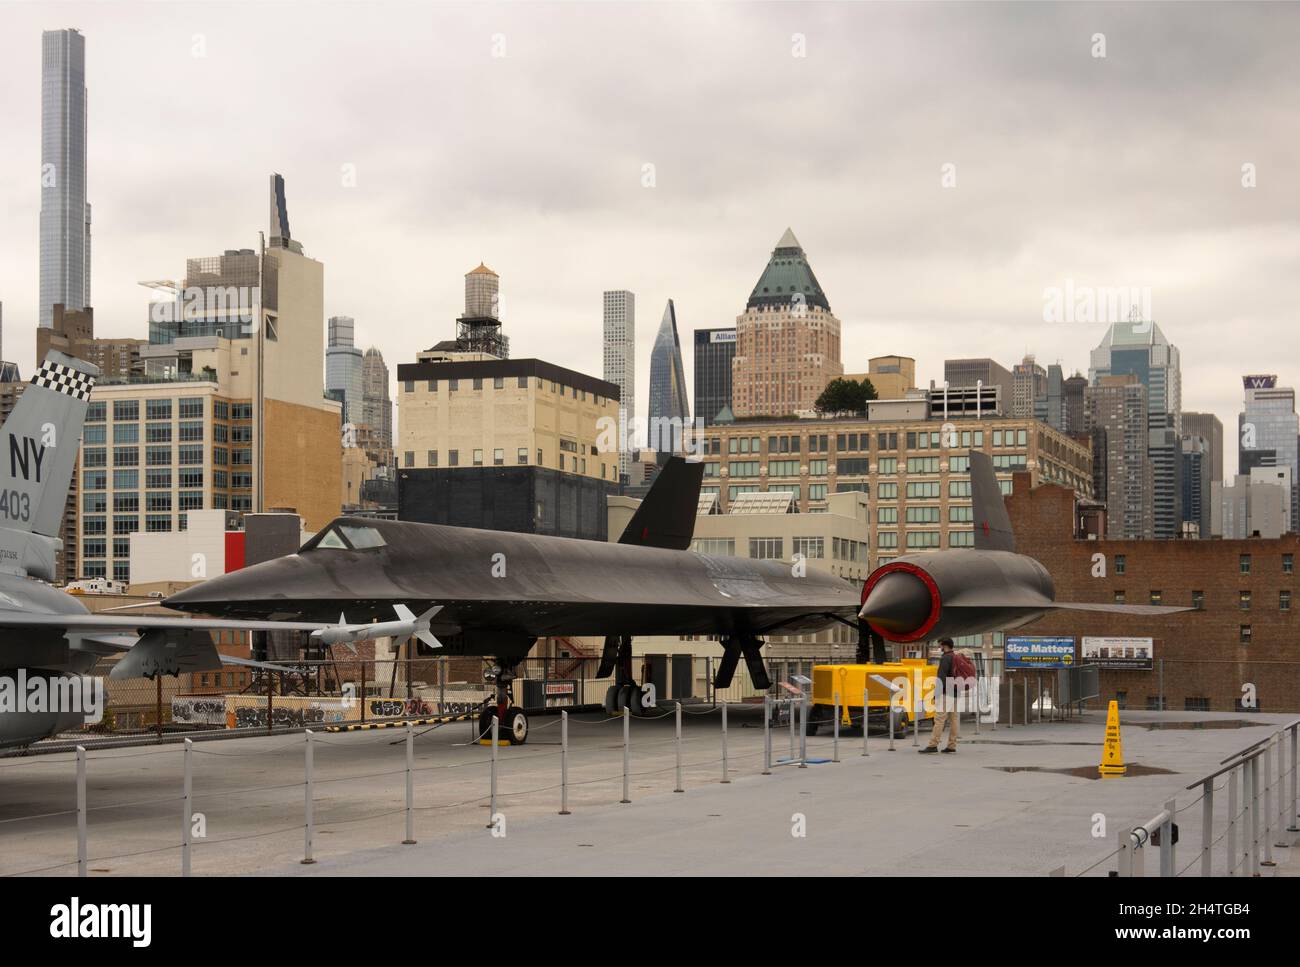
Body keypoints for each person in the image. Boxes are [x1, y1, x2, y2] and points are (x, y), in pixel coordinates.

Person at [920, 638, 959, 754]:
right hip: (955, 691)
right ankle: (952, 745)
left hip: (946, 692)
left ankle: (933, 745)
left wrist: (936, 694)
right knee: (954, 720)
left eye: (940, 645)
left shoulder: (946, 658)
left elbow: (941, 678)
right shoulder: (956, 657)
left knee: (939, 719)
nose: (939, 647)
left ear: (944, 646)